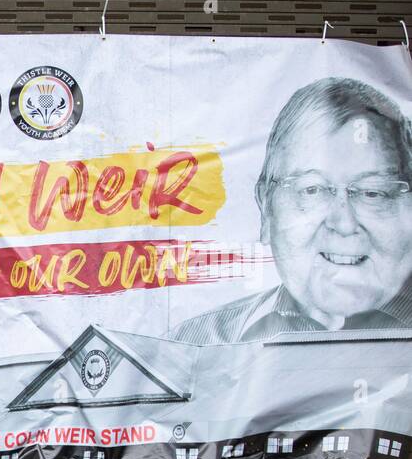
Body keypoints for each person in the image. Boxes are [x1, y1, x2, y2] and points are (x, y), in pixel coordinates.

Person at [170, 77, 412, 344]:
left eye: (373, 192)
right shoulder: (193, 345)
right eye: (312, 189)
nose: (344, 223)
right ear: (266, 207)